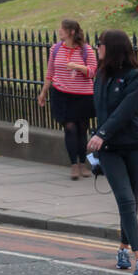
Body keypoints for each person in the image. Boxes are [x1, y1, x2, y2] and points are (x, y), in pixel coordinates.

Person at [88, 30, 138, 275]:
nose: (97, 48)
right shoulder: (100, 75)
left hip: (135, 145)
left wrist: (101, 133)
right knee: (125, 201)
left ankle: (123, 248)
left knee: (131, 203)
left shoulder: (134, 76)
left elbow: (125, 111)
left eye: (100, 44)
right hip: (110, 149)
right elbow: (95, 108)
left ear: (112, 47)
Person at [36, 19, 97, 180]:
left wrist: (78, 67)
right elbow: (50, 73)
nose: (59, 31)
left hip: (83, 95)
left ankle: (83, 163)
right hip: (62, 95)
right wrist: (43, 93)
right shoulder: (55, 49)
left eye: (62, 29)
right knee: (69, 128)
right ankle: (73, 165)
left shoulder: (86, 50)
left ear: (71, 32)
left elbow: (92, 72)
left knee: (82, 129)